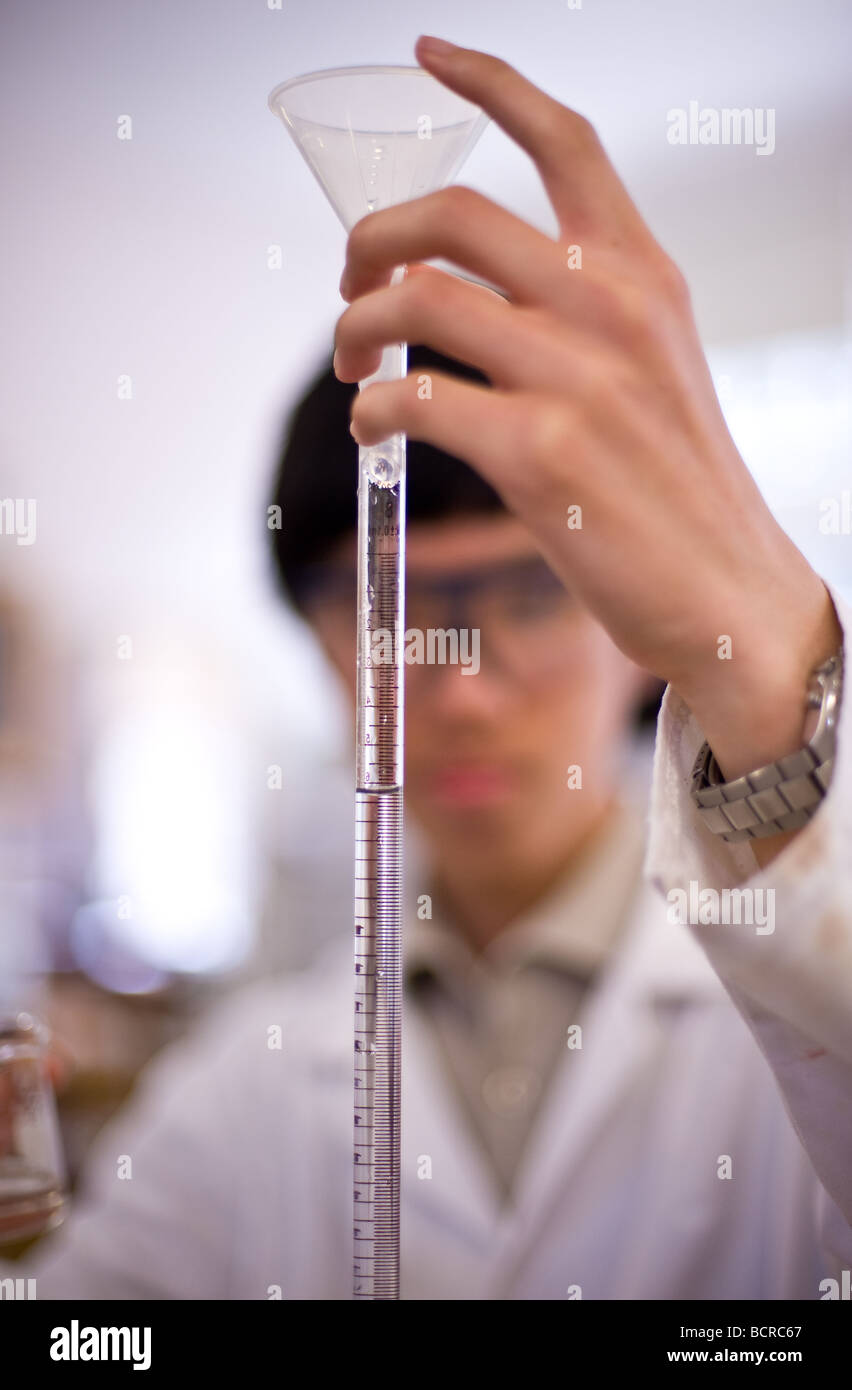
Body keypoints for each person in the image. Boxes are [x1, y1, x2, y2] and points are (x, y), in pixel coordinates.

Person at [1, 37, 850, 1300]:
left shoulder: (799, 1028)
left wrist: (787, 665)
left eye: (529, 596)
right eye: (389, 604)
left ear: (638, 634)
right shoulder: (240, 1085)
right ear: (315, 643)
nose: (454, 680)